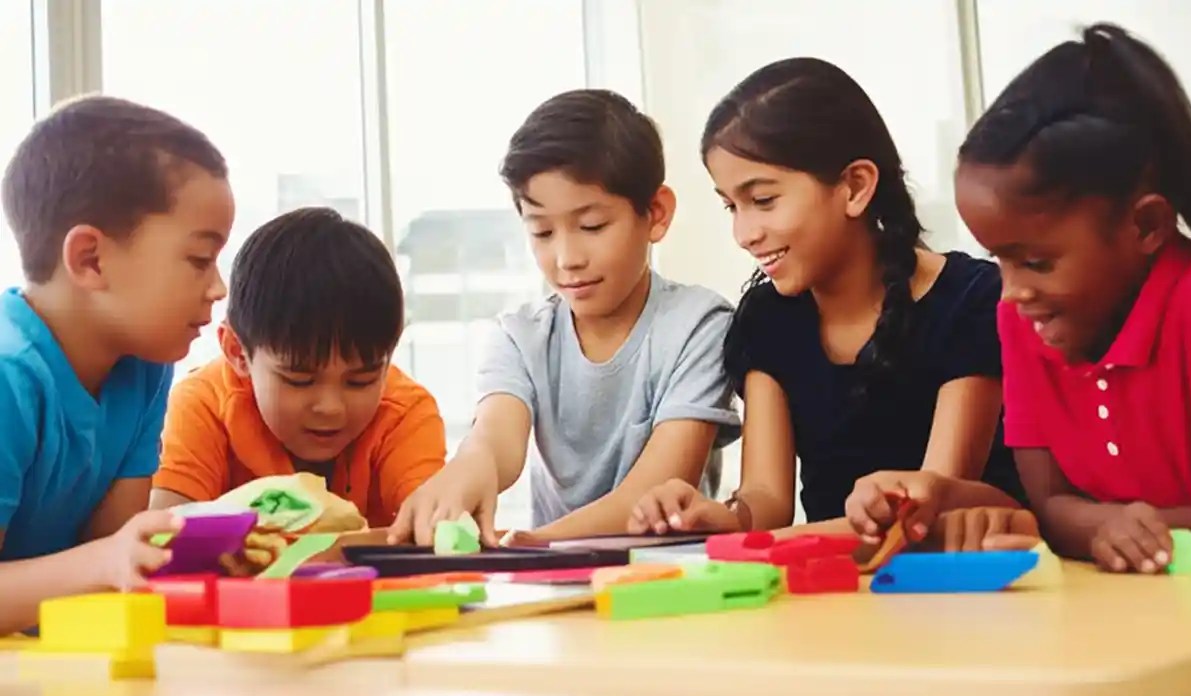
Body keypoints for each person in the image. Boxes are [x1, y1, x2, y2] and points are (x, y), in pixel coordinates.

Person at [628, 58, 1029, 553]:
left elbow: (924, 509)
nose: (744, 233)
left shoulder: (969, 300)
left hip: (960, 584)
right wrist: (721, 518)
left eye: (764, 200)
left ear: (856, 186)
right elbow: (767, 499)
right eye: (733, 206)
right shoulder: (767, 317)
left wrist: (759, 547)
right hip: (838, 589)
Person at [955, 23, 1191, 572]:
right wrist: (1105, 525)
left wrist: (1136, 528)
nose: (1012, 291)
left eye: (1036, 262)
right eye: (998, 260)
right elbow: (1052, 505)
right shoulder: (1024, 321)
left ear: (1147, 225)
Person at [388, 89, 741, 546]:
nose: (567, 257)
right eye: (542, 231)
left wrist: (539, 543)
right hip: (555, 589)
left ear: (655, 214)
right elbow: (497, 438)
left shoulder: (699, 325)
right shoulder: (519, 337)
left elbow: (653, 489)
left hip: (671, 583)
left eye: (592, 226)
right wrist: (468, 469)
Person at [0, 96, 235, 634]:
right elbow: (102, 563)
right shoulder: (8, 375)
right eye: (200, 260)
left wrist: (182, 560)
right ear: (91, 259)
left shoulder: (144, 366)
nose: (218, 288)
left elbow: (118, 560)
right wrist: (105, 563)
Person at [149, 207, 447, 528]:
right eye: (299, 380)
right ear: (237, 352)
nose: (330, 408)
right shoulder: (203, 405)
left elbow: (437, 532)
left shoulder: (405, 412)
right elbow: (164, 536)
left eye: (361, 381)